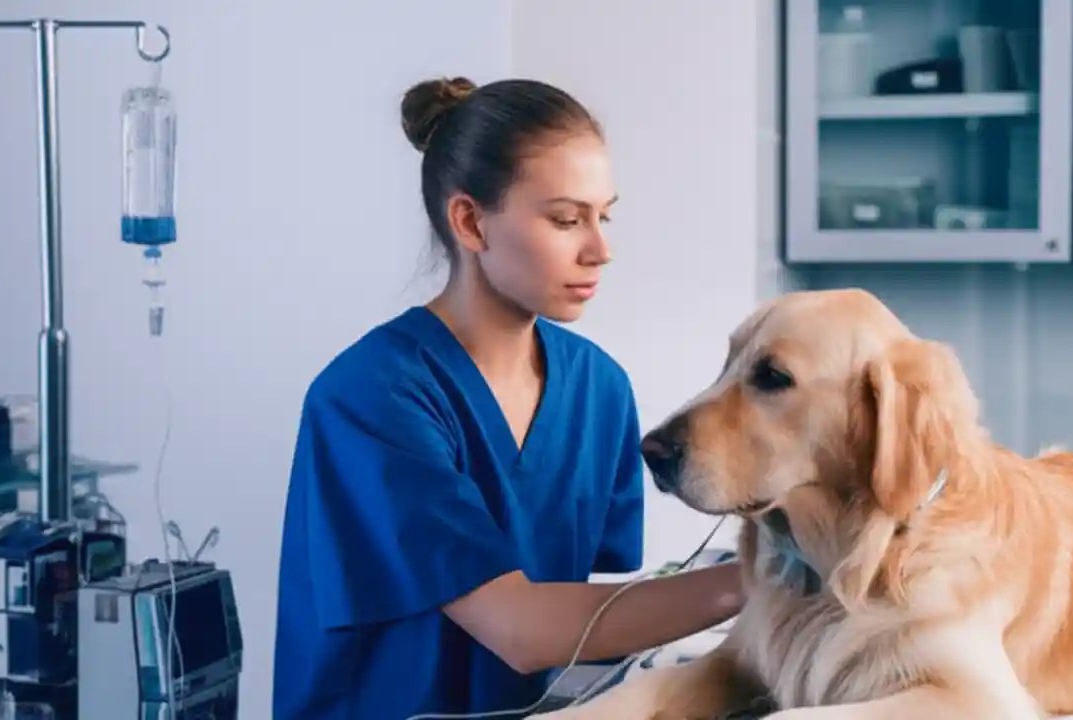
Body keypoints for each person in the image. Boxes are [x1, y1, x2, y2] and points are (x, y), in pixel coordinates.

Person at [273, 75, 744, 719]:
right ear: (470, 221)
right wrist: (761, 579)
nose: (600, 250)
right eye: (565, 219)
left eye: (603, 216)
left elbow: (595, 614)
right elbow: (522, 631)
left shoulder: (599, 387)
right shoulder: (371, 398)